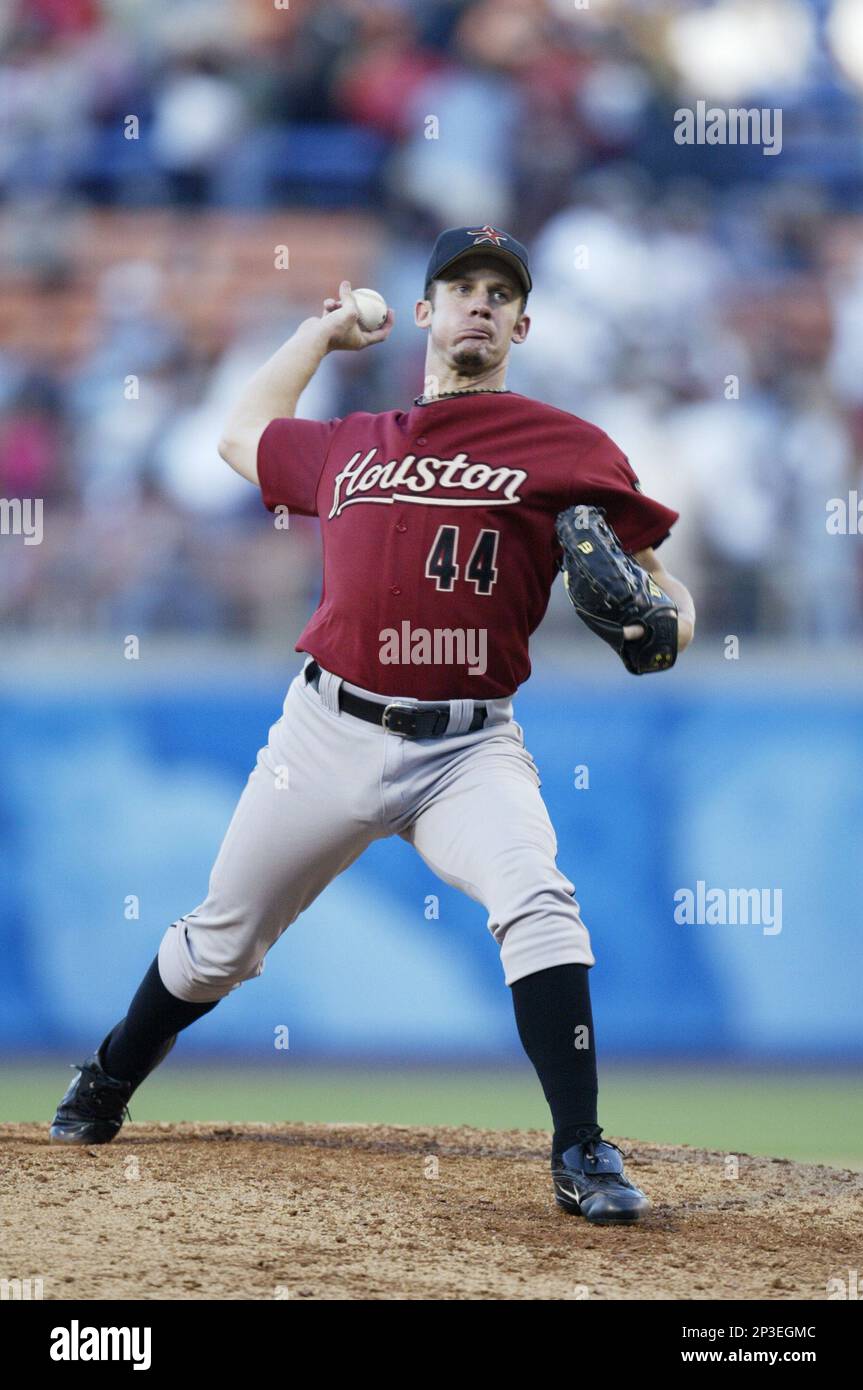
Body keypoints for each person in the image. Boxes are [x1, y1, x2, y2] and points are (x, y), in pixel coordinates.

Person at [51, 225, 696, 1225]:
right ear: (427, 311)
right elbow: (238, 434)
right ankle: (105, 1081)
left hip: (468, 745)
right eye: (459, 286)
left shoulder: (564, 447)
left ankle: (579, 1145)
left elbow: (664, 592)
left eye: (498, 291)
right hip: (326, 729)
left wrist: (670, 624)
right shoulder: (355, 441)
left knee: (537, 897)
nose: (478, 301)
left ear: (520, 323)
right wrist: (321, 331)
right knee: (220, 944)